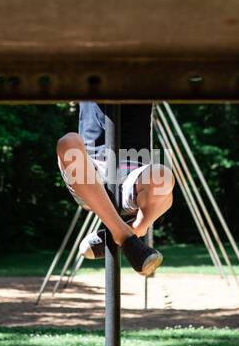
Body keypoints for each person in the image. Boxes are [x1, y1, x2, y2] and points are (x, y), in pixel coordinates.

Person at [55, 102, 174, 276]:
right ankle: (125, 236)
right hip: (91, 174)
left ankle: (133, 229)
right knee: (67, 142)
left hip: (134, 170)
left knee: (163, 175)